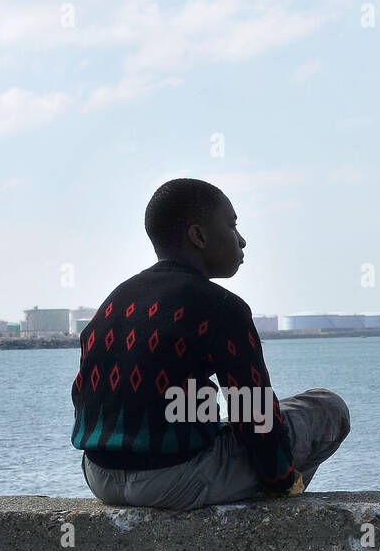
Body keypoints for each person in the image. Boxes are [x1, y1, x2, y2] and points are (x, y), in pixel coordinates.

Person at [71, 178, 350, 510]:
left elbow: (88, 396)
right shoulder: (221, 306)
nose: (242, 240)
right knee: (327, 410)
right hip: (173, 480)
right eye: (232, 225)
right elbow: (253, 411)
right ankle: (280, 506)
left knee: (204, 410)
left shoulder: (115, 300)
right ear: (199, 236)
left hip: (100, 477)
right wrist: (283, 479)